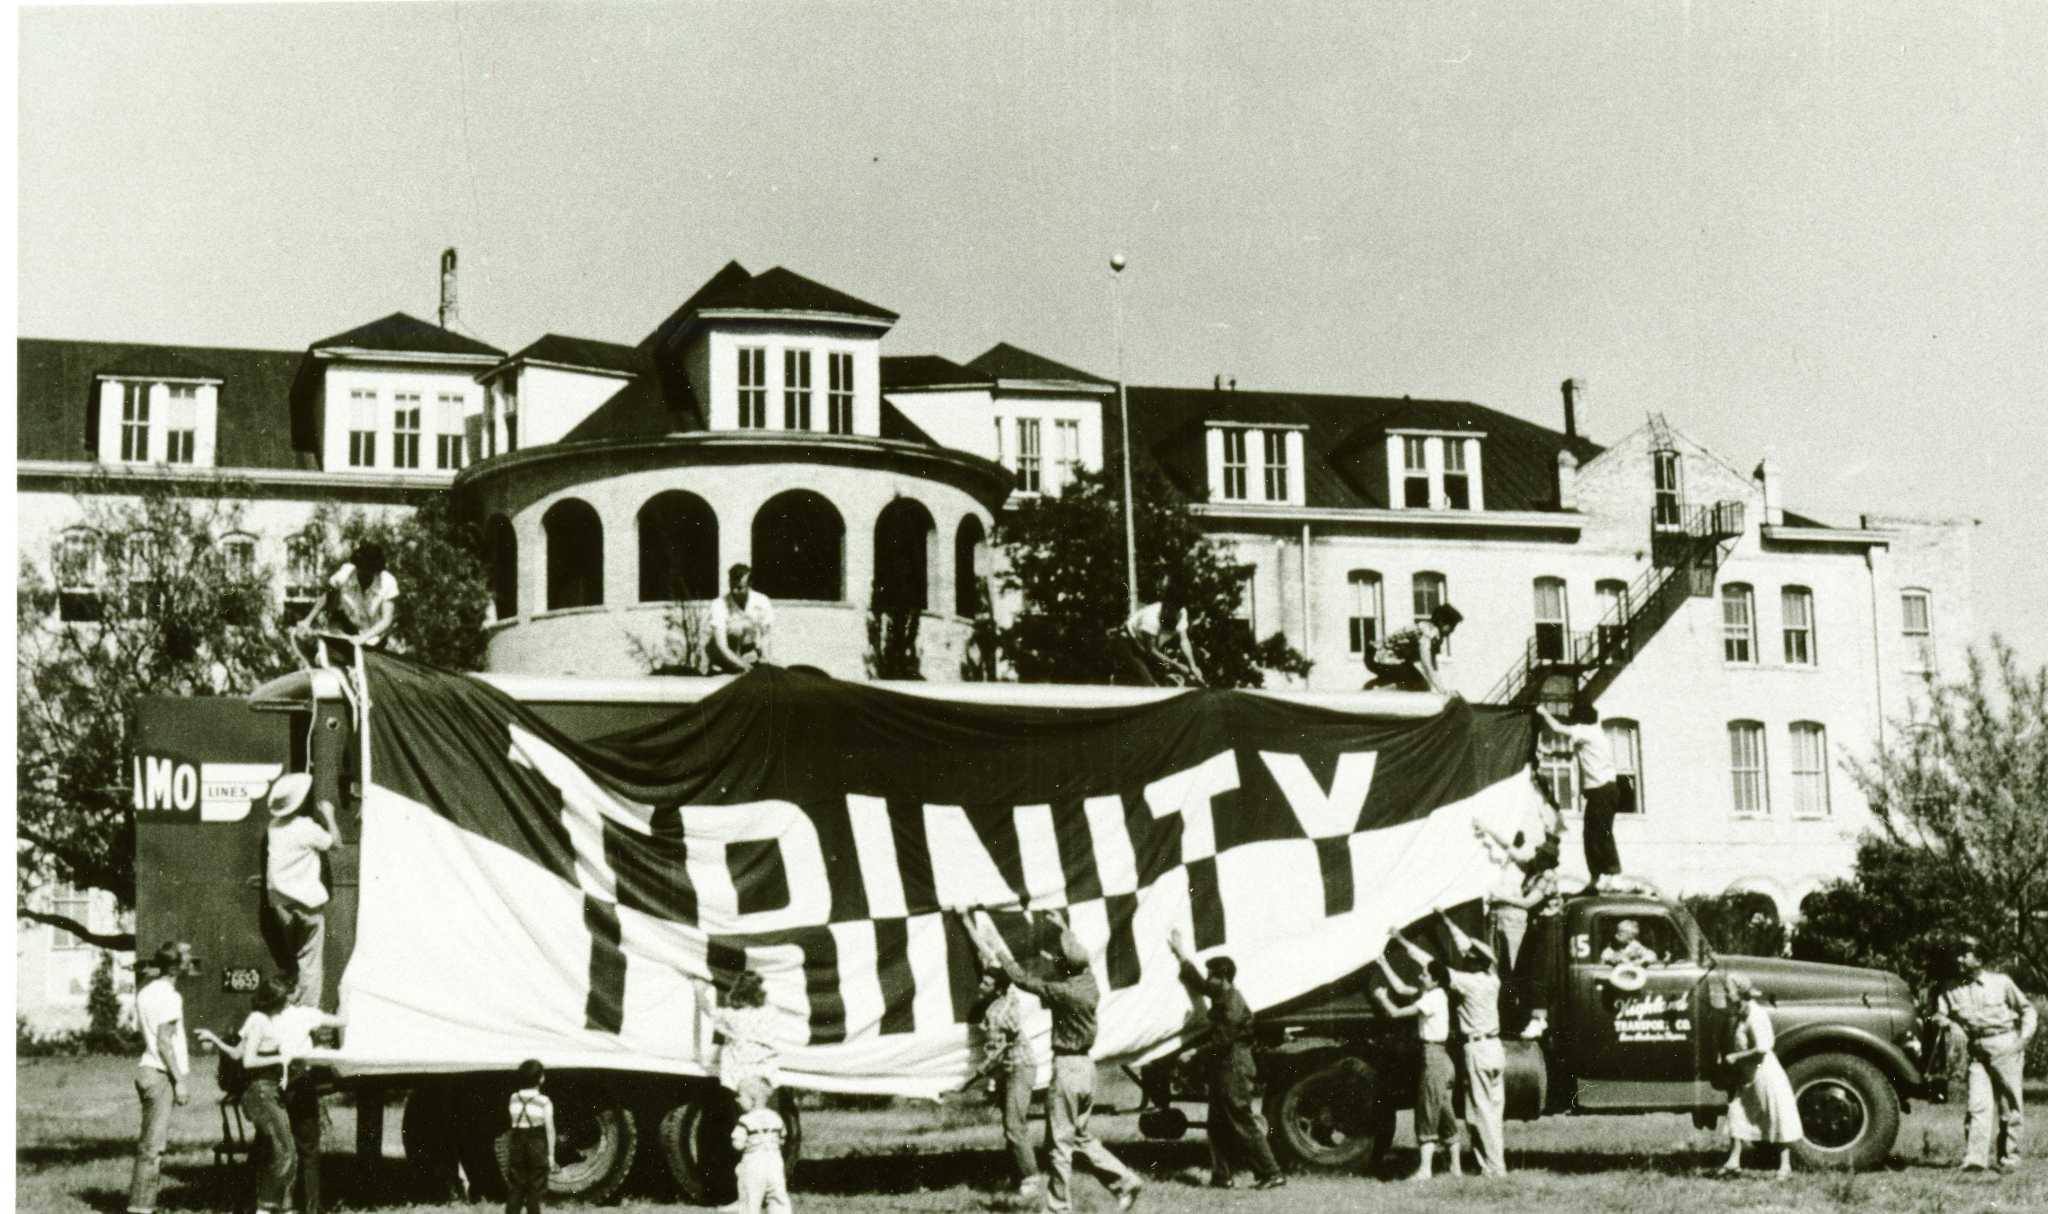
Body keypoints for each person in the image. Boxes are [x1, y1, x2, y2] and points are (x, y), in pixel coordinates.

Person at [966, 909, 1143, 1212]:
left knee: (1060, 1145)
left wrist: (998, 949)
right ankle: (1124, 1180)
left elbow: (1022, 979)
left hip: (1068, 1069)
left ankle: (1058, 1208)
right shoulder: (1089, 984)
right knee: (1079, 1136)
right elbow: (1074, 960)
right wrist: (1063, 929)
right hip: (1087, 1069)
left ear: (1064, 968)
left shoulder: (1062, 993)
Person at [1167, 929, 1285, 1190]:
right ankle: (1222, 1176)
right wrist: (1180, 954)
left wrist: (1193, 1054)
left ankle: (1271, 1173)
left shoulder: (1232, 1004)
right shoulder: (1224, 994)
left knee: (1241, 1120)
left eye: (1212, 976)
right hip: (1226, 1068)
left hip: (1234, 1067)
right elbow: (1199, 983)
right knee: (1217, 1124)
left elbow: (1222, 1041)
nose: (1209, 980)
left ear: (1223, 977)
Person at [1932, 935, 2038, 1172]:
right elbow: (1936, 1015)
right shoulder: (1950, 987)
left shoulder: (2001, 982)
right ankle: (1975, 1160)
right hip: (1977, 1053)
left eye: (1964, 954)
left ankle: (2009, 1158)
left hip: (2005, 1046)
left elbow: (2028, 1010)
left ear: (1978, 958)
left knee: (2009, 1106)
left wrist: (2022, 1041)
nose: (1959, 959)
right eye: (1958, 954)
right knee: (1976, 1105)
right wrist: (1951, 1024)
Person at [207, 976, 297, 1214]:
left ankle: (269, 1207)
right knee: (285, 1152)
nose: (286, 1004)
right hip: (261, 1091)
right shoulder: (259, 1021)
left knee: (273, 1151)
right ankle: (268, 1208)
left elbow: (236, 1053)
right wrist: (281, 1058)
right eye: (282, 1001)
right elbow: (248, 1060)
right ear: (273, 1001)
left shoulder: (258, 1019)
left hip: (265, 1091)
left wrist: (214, 1038)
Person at [1372, 940, 1459, 1180]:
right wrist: (1383, 963)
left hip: (1433, 1058)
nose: (1421, 976)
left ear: (1435, 980)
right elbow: (1401, 989)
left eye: (1425, 974)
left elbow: (1397, 1013)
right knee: (1444, 1110)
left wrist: (1381, 998)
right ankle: (1456, 1168)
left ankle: (1425, 1170)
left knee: (1427, 1111)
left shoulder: (1432, 999)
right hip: (1442, 1058)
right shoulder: (1435, 993)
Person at [1433, 911, 1508, 1177]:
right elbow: (1468, 946)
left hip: (1477, 1049)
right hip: (1495, 1048)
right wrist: (1449, 922)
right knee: (1493, 1111)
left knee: (1480, 1113)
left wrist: (1405, 944)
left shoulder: (1467, 983)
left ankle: (1494, 1169)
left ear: (1475, 962)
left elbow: (1435, 968)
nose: (1465, 957)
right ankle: (1492, 1164)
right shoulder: (1492, 979)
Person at [956, 967, 1039, 1200]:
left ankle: (1031, 1179)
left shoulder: (995, 1013)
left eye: (986, 983)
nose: (981, 986)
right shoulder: (1005, 1001)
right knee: (1012, 1125)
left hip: (1018, 1069)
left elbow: (997, 1051)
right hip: (1015, 1069)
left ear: (997, 989)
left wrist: (975, 1076)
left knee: (1014, 1126)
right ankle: (1017, 1175)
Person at [129, 941, 197, 1214]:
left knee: (149, 1144)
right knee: (153, 1147)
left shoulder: (146, 991)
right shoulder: (170, 996)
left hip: (147, 1070)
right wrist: (179, 1079)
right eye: (187, 957)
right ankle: (142, 1207)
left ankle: (141, 1205)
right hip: (160, 1073)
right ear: (175, 965)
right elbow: (164, 1043)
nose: (191, 960)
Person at [262, 773, 340, 1008]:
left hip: (281, 905)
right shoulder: (307, 828)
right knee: (310, 963)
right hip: (307, 905)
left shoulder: (273, 826)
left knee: (294, 959)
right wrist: (329, 815)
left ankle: (289, 1006)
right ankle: (305, 1018)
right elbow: (336, 844)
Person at [1717, 977, 1802, 1176]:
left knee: (1776, 1117)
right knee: (1736, 1114)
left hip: (1765, 1074)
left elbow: (1763, 1048)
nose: (1725, 995)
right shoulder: (1739, 1013)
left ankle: (1785, 1166)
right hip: (1747, 1075)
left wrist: (1735, 1057)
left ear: (1739, 993)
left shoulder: (1756, 1014)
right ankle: (1733, 1161)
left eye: (1728, 991)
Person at [1536, 703, 1624, 889]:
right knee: (1590, 834)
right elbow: (1571, 755)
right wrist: (1550, 752)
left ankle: (1613, 874)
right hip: (1602, 791)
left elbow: (1557, 728)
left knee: (1601, 833)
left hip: (1603, 790)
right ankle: (1597, 876)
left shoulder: (1586, 731)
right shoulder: (1593, 733)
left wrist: (1543, 712)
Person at [301, 541, 399, 650]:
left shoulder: (387, 581)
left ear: (376, 570)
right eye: (361, 568)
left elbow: (386, 619)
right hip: (348, 629)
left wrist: (364, 637)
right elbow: (327, 595)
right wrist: (308, 620)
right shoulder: (345, 573)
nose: (364, 573)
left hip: (374, 636)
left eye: (369, 570)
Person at [1114, 586, 1205, 687]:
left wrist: (1193, 666)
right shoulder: (1151, 617)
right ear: (1165, 607)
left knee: (1163, 680)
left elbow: (1184, 641)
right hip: (1128, 641)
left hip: (1144, 646)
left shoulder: (1181, 612)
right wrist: (1177, 666)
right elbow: (1151, 650)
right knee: (1149, 684)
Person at [1365, 603, 1462, 693]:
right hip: (1378, 657)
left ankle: (1374, 687)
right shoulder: (1429, 632)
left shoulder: (1436, 636)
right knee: (1415, 684)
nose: (1453, 630)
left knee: (1422, 686)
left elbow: (1433, 666)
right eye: (1452, 626)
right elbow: (1426, 664)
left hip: (1388, 659)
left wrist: (1441, 688)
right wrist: (1442, 690)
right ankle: (1374, 690)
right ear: (1441, 622)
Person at [730, 1076, 792, 1214]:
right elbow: (782, 1138)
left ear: (751, 1100)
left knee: (750, 1199)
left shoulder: (745, 1120)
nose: (737, 1100)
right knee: (778, 1196)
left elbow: (738, 1144)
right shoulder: (776, 1117)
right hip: (775, 1162)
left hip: (753, 1163)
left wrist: (739, 1144)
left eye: (740, 1096)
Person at [503, 1059, 556, 1214]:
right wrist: (551, 1154)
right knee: (535, 1188)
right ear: (541, 1078)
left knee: (516, 1186)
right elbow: (550, 1129)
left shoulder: (513, 1098)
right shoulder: (544, 1101)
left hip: (517, 1144)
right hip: (536, 1145)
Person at [708, 564, 776, 673]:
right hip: (724, 655)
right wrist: (741, 664)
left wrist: (765, 657)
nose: (734, 591)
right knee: (737, 627)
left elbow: (766, 635)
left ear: (750, 585)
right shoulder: (718, 604)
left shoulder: (762, 601)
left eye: (739, 588)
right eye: (732, 587)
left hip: (747, 651)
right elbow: (721, 645)